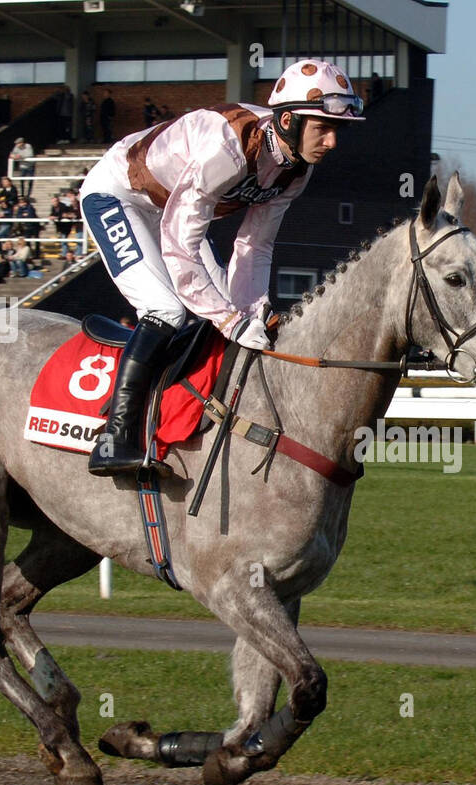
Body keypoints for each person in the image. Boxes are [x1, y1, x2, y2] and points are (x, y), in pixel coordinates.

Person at [78, 58, 364, 476]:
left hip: (166, 209)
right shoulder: (227, 149)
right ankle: (114, 435)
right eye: (324, 128)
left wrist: (250, 313)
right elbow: (179, 246)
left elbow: (254, 245)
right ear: (287, 121)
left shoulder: (296, 171)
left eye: (337, 129)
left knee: (231, 312)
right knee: (167, 309)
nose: (333, 141)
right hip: (119, 195)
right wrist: (231, 321)